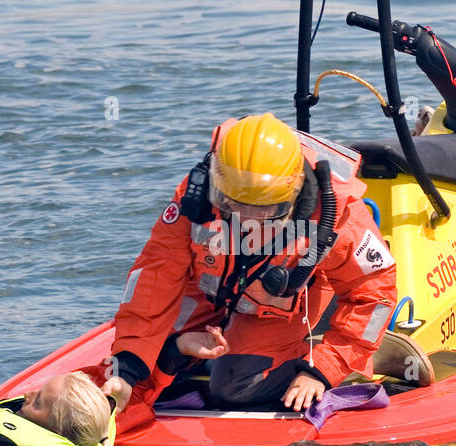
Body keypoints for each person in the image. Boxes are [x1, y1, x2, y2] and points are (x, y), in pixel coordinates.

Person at [100, 113, 397, 428]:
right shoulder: (197, 196)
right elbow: (153, 280)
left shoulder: (335, 212)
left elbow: (375, 293)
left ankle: (353, 353)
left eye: (265, 209)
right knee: (145, 364)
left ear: (292, 193)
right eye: (235, 204)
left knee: (233, 387)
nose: (247, 218)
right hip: (212, 291)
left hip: (284, 308)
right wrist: (128, 369)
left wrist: (322, 371)